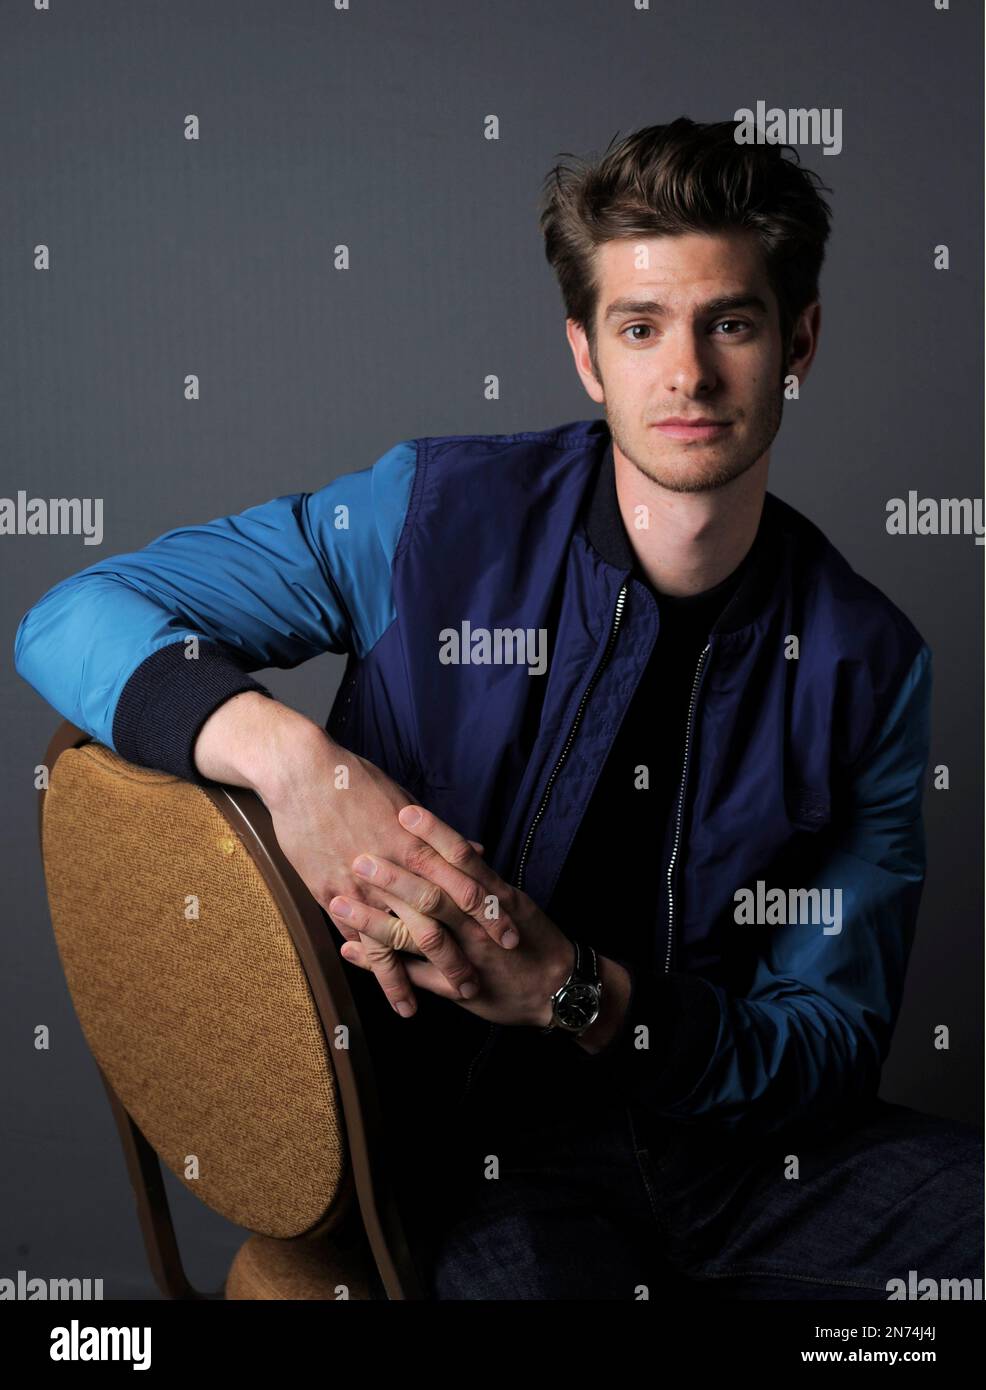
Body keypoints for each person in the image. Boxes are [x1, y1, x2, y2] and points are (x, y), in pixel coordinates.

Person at [14, 117, 982, 1300]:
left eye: (727, 322)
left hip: (740, 1157)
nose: (685, 374)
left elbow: (826, 1047)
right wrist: (297, 762)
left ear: (798, 340)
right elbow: (73, 613)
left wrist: (586, 998)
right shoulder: (430, 518)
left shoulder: (866, 661)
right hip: (476, 1164)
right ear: (585, 354)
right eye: (639, 328)